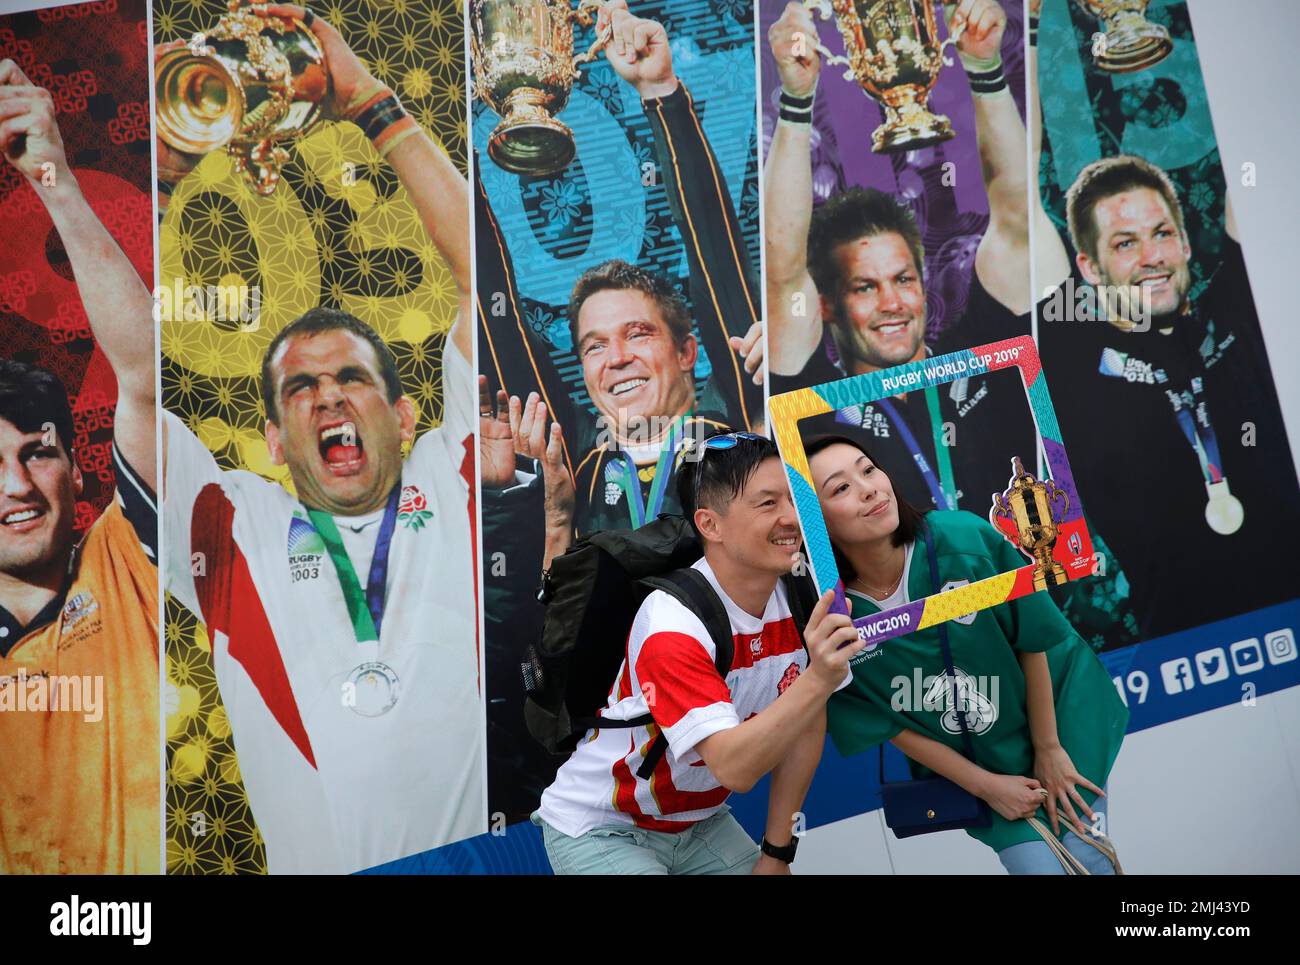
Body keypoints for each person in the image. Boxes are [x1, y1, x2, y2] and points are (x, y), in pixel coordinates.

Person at [158, 4, 518, 873]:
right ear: (276, 441)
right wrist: (164, 161)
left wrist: (369, 99)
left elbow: (486, 272)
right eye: (301, 388)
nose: (328, 399)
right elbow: (133, 375)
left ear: (405, 415)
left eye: (353, 377)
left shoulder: (453, 473)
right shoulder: (226, 525)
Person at [478, 2, 765, 821]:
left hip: (733, 750)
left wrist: (663, 95)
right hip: (615, 775)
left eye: (639, 333)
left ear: (686, 353)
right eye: (596, 345)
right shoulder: (585, 466)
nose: (618, 357)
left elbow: (715, 255)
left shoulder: (733, 438)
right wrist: (554, 521)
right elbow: (495, 301)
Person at [764, 0, 1057, 515]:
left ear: (924, 285)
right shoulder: (815, 407)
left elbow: (1017, 212)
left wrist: (986, 69)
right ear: (827, 305)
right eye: (864, 287)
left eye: (903, 279)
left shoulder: (987, 358)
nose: (892, 302)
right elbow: (783, 270)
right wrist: (796, 99)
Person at [534, 432, 862, 874]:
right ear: (710, 525)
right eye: (767, 504)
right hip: (603, 823)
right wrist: (819, 678)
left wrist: (777, 852)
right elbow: (735, 768)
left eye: (792, 497)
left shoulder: (806, 593)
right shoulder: (672, 625)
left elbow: (807, 723)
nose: (791, 518)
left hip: (700, 822)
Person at [806, 434, 1128, 874]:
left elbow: (1031, 639)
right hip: (983, 770)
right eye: (840, 488)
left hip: (1059, 723)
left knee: (1089, 860)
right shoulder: (829, 616)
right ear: (812, 521)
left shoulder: (962, 537)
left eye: (868, 470)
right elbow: (884, 722)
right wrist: (987, 786)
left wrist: (1049, 748)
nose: (868, 489)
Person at [1034, 152, 1300, 639]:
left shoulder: (1239, 309)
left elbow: (1253, 143)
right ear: (1090, 267)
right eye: (1125, 243)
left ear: (1184, 243)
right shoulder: (1074, 359)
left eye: (1162, 233)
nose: (1151, 256)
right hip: (1188, 660)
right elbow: (1016, 204)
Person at [0, 59, 159, 873]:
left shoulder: (125, 567)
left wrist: (51, 175)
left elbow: (143, 371)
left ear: (80, 470)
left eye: (38, 452)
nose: (16, 488)